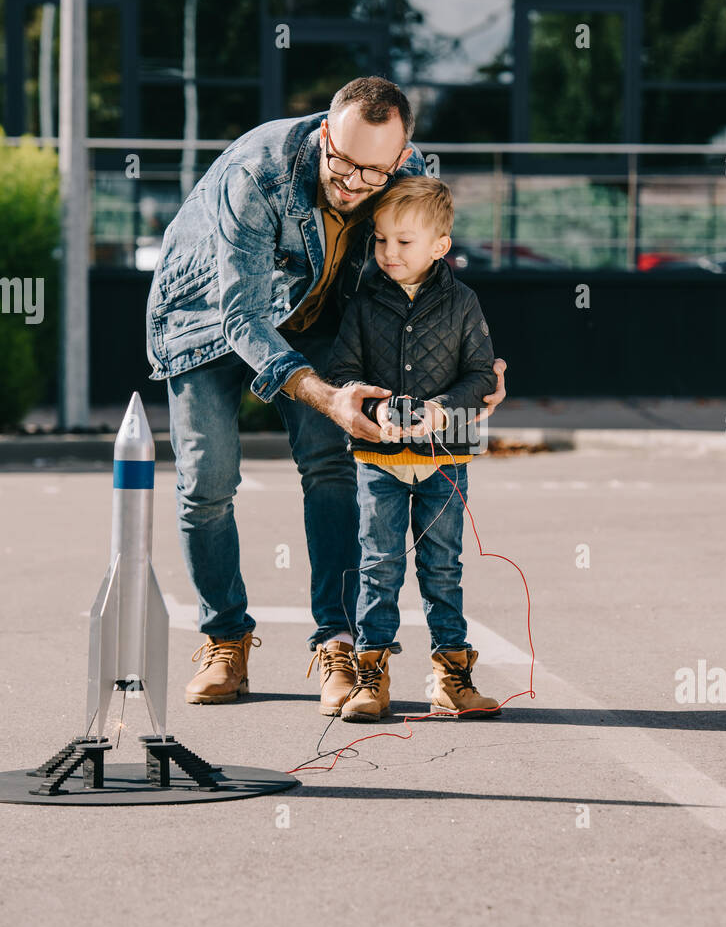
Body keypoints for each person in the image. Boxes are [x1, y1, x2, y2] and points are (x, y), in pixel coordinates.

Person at [145, 77, 507, 710]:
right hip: (207, 316)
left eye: (373, 170)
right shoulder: (260, 172)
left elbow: (421, 278)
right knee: (206, 481)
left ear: (401, 158)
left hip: (315, 320)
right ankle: (225, 637)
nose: (352, 183)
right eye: (340, 161)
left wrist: (468, 380)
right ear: (324, 135)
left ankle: (336, 642)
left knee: (333, 466)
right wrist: (328, 395)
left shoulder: (403, 175)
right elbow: (243, 320)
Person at [326, 175, 502, 723]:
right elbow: (343, 373)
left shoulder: (464, 302)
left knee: (443, 568)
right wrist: (376, 412)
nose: (389, 252)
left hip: (446, 459)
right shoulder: (360, 303)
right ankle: (370, 679)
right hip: (378, 459)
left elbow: (481, 375)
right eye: (380, 240)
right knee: (378, 567)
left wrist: (444, 407)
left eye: (403, 242)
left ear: (439, 247)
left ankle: (452, 678)